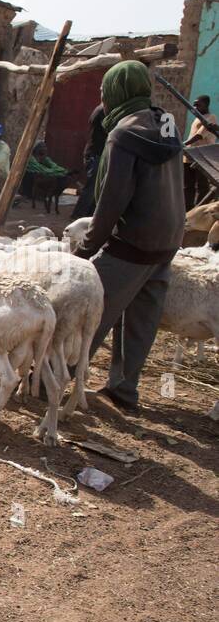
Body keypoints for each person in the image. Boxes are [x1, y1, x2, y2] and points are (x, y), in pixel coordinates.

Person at [73, 60, 184, 416]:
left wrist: (84, 250)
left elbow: (111, 200)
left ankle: (51, 382)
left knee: (88, 314)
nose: (103, 99)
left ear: (118, 91)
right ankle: (124, 390)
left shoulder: (122, 134)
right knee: (140, 321)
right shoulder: (165, 124)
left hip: (133, 243)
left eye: (105, 92)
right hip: (167, 241)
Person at [71, 102, 107, 220]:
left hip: (97, 154)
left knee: (97, 188)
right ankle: (78, 215)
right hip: (95, 154)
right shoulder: (102, 111)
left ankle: (88, 216)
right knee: (92, 188)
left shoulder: (103, 109)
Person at [183, 95, 216, 209]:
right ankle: (188, 208)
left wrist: (183, 144)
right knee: (188, 185)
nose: (195, 107)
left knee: (202, 185)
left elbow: (199, 136)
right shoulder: (198, 118)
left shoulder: (210, 118)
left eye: (198, 104)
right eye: (194, 104)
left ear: (206, 105)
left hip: (201, 156)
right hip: (190, 155)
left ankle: (200, 208)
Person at [21, 140, 71, 205]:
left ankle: (52, 194)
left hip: (42, 175)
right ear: (36, 149)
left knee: (64, 178)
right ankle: (32, 195)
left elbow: (56, 167)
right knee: (46, 176)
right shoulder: (31, 159)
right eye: (42, 147)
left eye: (45, 147)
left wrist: (62, 172)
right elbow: (43, 170)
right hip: (31, 179)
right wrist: (61, 172)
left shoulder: (45, 158)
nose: (45, 149)